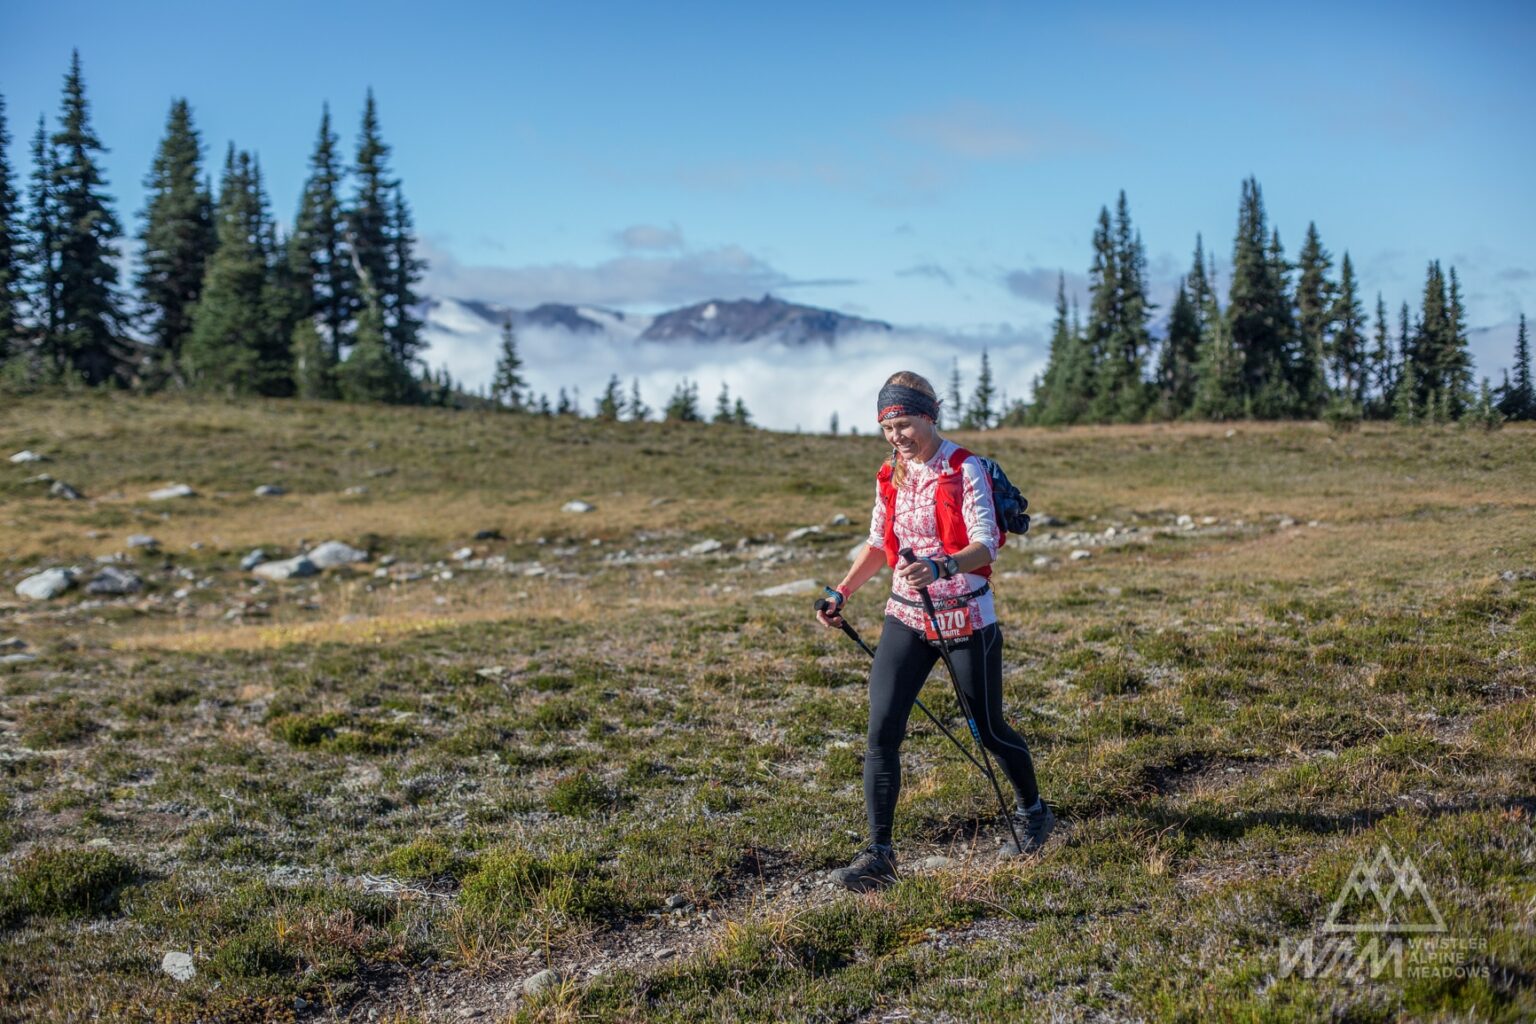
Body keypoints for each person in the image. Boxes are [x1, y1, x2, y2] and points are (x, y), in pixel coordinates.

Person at [816, 369, 1054, 891]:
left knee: (989, 728)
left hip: (966, 616)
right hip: (906, 617)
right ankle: (879, 853)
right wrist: (841, 592)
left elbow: (986, 544)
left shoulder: (964, 469)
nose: (897, 437)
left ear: (928, 416)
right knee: (882, 731)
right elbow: (880, 544)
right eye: (887, 428)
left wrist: (942, 566)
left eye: (904, 423)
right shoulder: (890, 475)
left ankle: (1034, 812)